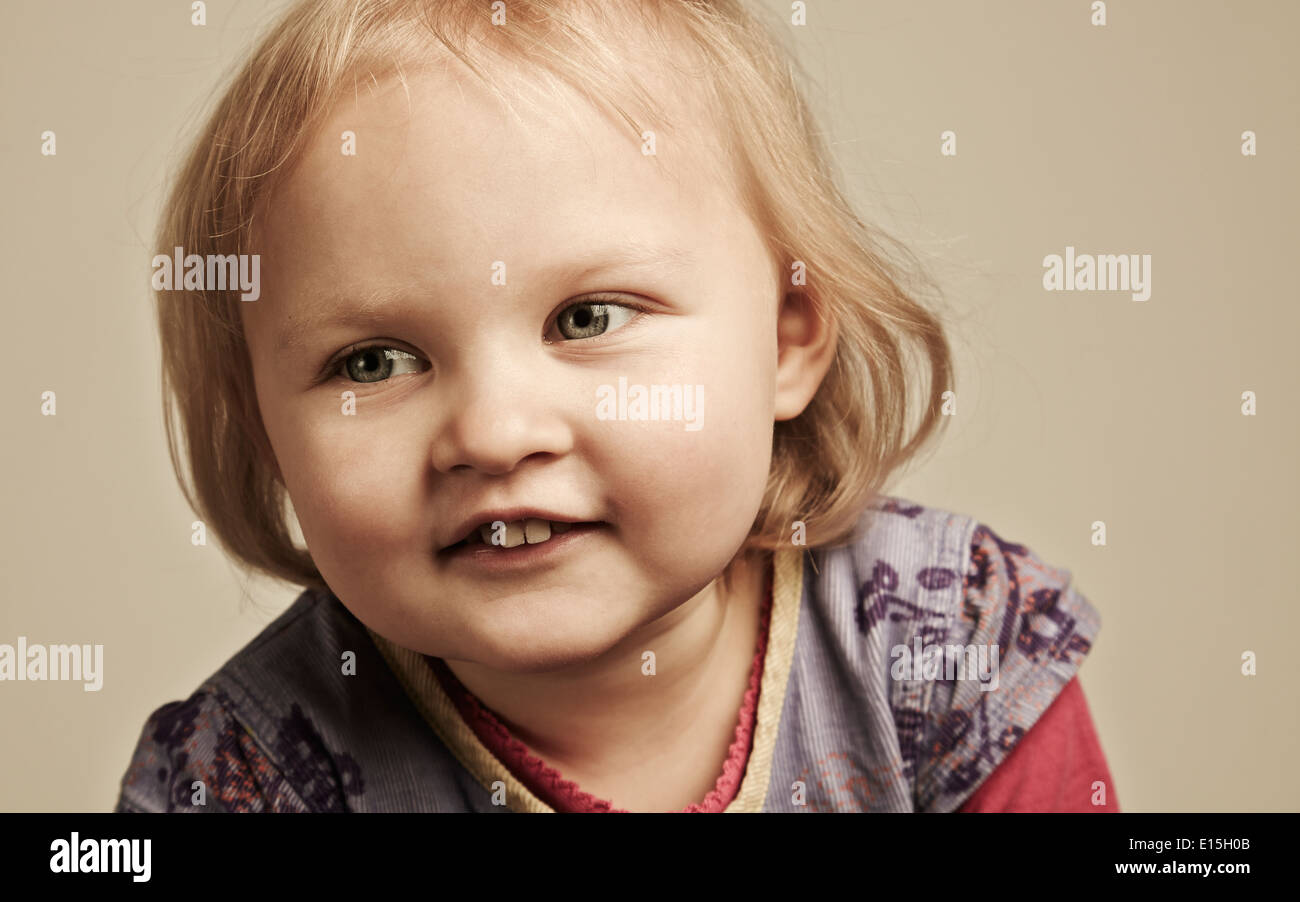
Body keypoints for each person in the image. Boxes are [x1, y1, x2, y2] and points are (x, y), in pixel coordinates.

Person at [115, 0, 1117, 813]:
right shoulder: (248, 778)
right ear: (266, 432)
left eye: (586, 316)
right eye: (373, 361)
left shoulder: (939, 651)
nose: (496, 434)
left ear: (786, 337)